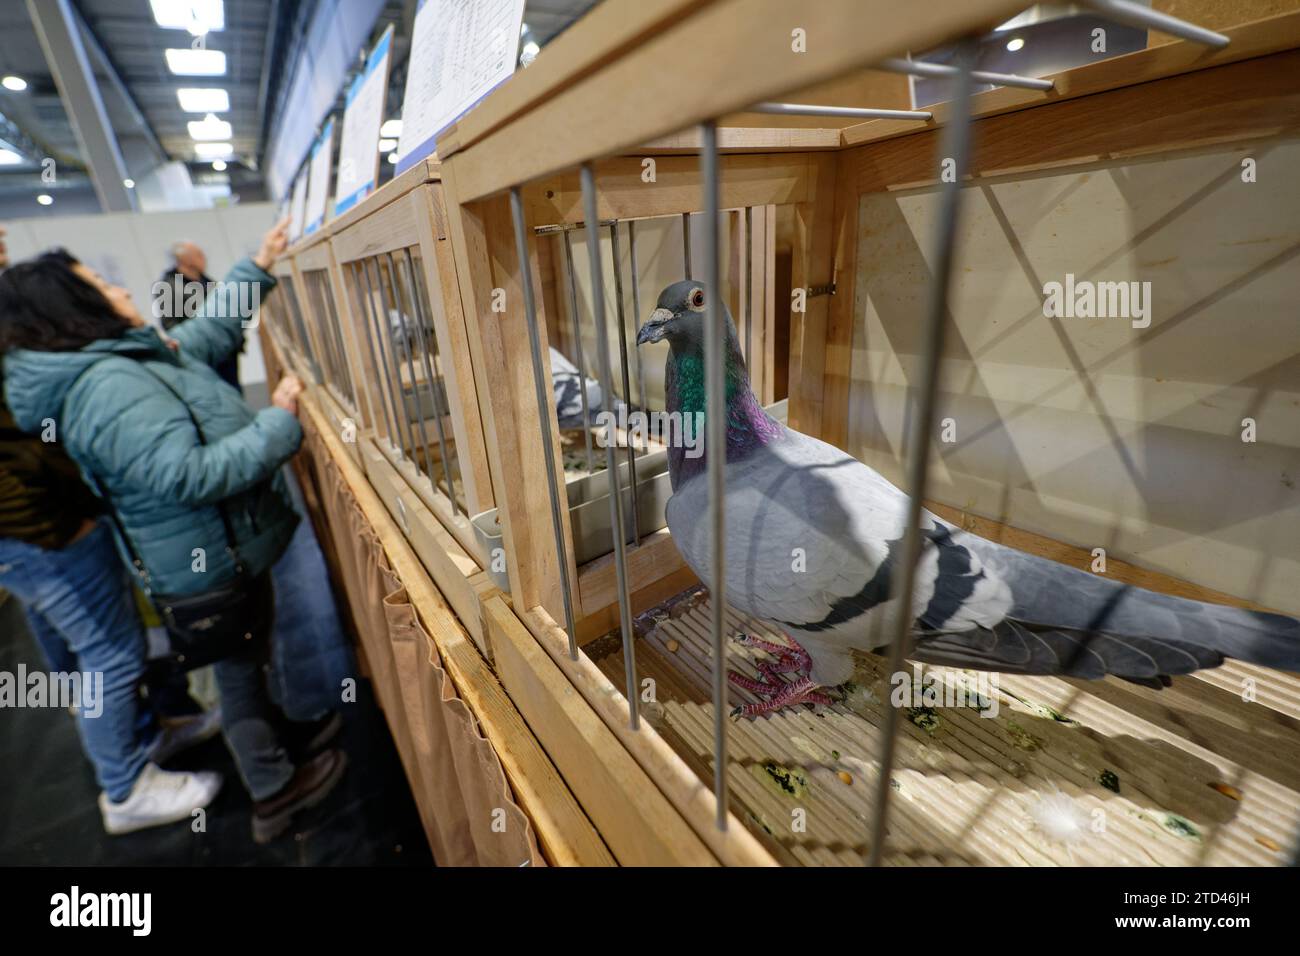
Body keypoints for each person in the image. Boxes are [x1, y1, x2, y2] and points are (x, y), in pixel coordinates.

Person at [1, 219, 347, 844]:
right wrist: (277, 424)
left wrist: (259, 262)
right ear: (73, 310)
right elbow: (188, 474)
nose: (115, 285)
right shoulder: (105, 387)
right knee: (240, 675)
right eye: (98, 283)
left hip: (220, 550)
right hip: (206, 564)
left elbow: (203, 334)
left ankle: (279, 743)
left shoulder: (121, 358)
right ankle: (274, 791)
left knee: (250, 660)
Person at [1, 226, 224, 833]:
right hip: (46, 535)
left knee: (92, 653)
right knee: (109, 654)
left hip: (47, 529)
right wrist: (59, 525)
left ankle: (143, 739)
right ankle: (123, 788)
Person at [156, 240, 240, 389]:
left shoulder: (206, 281)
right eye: (199, 255)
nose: (204, 258)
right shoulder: (169, 286)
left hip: (225, 352)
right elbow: (170, 325)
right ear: (186, 260)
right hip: (202, 356)